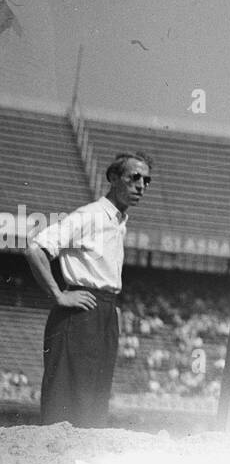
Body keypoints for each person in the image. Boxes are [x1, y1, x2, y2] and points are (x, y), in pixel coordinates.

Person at [24, 151, 152, 427]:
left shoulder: (119, 222)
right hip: (81, 310)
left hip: (106, 311)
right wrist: (58, 295)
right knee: (67, 394)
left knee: (96, 396)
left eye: (146, 180)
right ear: (114, 178)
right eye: (135, 177)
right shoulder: (91, 215)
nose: (141, 185)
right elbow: (35, 249)